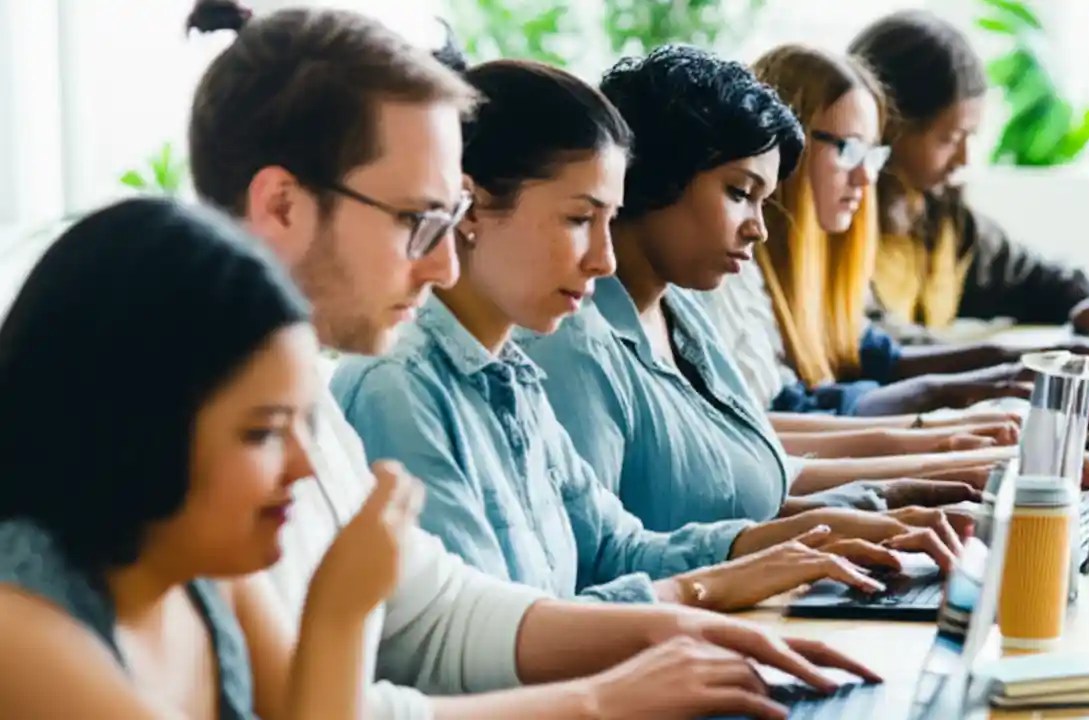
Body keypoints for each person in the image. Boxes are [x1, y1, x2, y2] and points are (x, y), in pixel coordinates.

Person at [186, 3, 872, 717]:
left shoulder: (312, 413)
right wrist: (607, 694)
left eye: (452, 220)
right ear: (283, 206)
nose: (444, 260)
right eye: (422, 220)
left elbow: (441, 615)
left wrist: (692, 615)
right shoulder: (285, 416)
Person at [334, 59, 967, 619]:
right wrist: (710, 590)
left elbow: (616, 547)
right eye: (580, 220)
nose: (604, 258)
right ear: (470, 209)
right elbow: (483, 634)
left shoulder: (513, 371)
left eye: (607, 219)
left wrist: (798, 545)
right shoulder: (412, 384)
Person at [516, 46, 1011, 549]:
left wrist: (901, 494)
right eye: (739, 192)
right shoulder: (575, 347)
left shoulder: (681, 311)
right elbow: (602, 558)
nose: (758, 229)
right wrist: (929, 458)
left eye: (762, 199)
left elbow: (755, 477)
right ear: (660, 174)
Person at [0, 198, 418, 719]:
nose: (304, 467)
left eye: (304, 424)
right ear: (137, 429)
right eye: (264, 432)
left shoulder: (205, 574)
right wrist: (338, 618)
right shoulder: (15, 630)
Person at [706, 44, 1089, 419]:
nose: (866, 177)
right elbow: (792, 416)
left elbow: (878, 355)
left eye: (872, 154)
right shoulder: (728, 273)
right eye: (848, 149)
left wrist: (1031, 360)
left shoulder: (826, 262)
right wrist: (956, 394)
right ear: (782, 143)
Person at [848, 10, 1089, 341]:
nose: (964, 158)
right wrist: (998, 361)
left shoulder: (944, 220)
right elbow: (881, 348)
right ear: (887, 126)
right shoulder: (839, 225)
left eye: (970, 137)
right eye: (949, 139)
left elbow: (1031, 279)